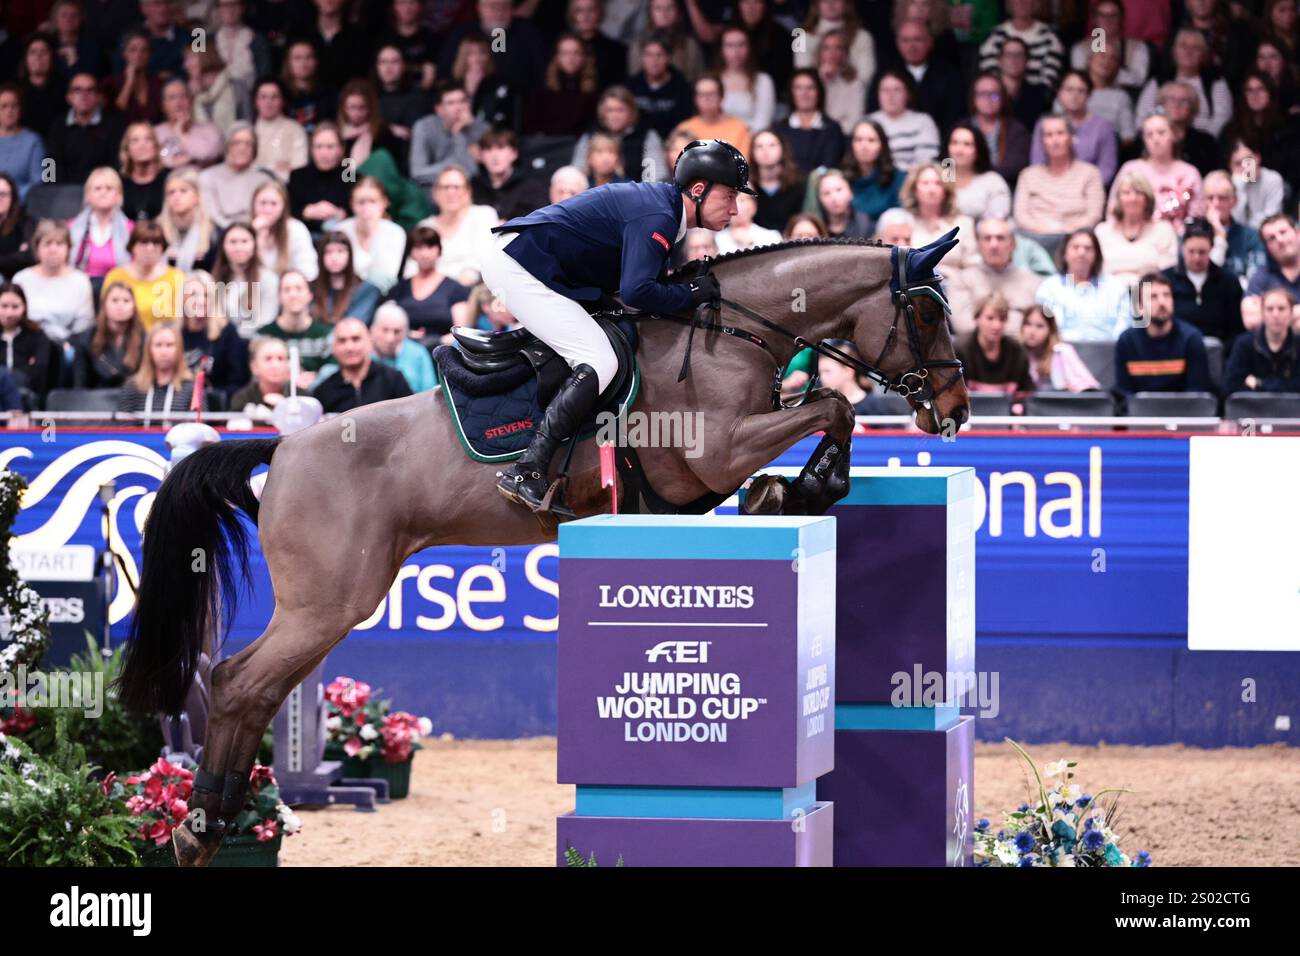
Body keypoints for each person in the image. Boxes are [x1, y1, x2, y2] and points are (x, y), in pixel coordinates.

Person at [481, 138, 744, 515]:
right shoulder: (659, 216)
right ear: (699, 190)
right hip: (519, 266)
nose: (735, 209)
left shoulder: (668, 212)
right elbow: (638, 292)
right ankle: (527, 469)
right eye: (730, 195)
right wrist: (690, 294)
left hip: (551, 268)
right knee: (601, 360)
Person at [1013, 115, 1106, 258]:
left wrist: (1065, 230)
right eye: (1049, 135)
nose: (1055, 140)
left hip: (1074, 241)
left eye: (1060, 133)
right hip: (1034, 240)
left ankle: (1071, 280)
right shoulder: (1028, 175)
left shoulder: (1090, 173)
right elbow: (1021, 216)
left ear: (1070, 137)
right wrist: (1044, 230)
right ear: (1042, 142)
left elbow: (1094, 215)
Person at [1115, 272, 1215, 395]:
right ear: (1139, 307)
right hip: (1140, 413)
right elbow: (1124, 395)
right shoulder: (1127, 342)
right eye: (1153, 297)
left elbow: (1197, 394)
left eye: (1167, 295)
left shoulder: (1190, 338)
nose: (1162, 302)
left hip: (1183, 412)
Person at [1108, 113, 1204, 233]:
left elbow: (1197, 217)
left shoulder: (1190, 173)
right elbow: (1113, 211)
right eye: (1149, 134)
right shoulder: (1130, 169)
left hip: (1178, 241)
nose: (1156, 139)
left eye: (1161, 132)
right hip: (1135, 239)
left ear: (1174, 135)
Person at [946, 217, 1042, 335]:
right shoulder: (961, 280)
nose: (994, 245)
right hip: (974, 350)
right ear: (978, 244)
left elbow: (1040, 327)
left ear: (1013, 244)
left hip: (1022, 350)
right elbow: (962, 325)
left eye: (1000, 238)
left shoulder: (1034, 282)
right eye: (987, 238)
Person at [1035, 228, 1133, 341]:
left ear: (1096, 255)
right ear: (1064, 253)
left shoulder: (1115, 287)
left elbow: (1124, 325)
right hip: (1062, 350)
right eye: (1075, 247)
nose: (1081, 253)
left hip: (1108, 351)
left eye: (1088, 248)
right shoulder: (1049, 287)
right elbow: (1047, 327)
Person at [1134, 28, 1232, 139]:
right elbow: (1142, 117)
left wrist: (1203, 140)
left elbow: (1222, 118)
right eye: (1183, 46)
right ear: (1174, 51)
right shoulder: (1158, 81)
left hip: (1203, 143)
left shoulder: (1215, 81)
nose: (1188, 52)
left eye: (1195, 48)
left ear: (1203, 54)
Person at [413, 166, 499, 287]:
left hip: (471, 289)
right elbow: (412, 269)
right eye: (445, 187)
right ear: (435, 193)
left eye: (457, 187)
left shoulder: (484, 215)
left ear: (468, 192)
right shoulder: (425, 226)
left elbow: (481, 262)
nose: (451, 192)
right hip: (427, 290)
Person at [1028, 71, 1118, 186]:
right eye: (1069, 89)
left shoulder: (1104, 127)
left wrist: (1083, 188)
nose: (1074, 95)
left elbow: (1107, 169)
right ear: (1059, 93)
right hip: (1049, 190)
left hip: (1088, 190)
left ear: (1089, 94)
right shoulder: (1044, 124)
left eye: (1081, 91)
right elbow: (1037, 163)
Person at [1163, 217, 1243, 345]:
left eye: (1202, 252)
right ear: (1182, 249)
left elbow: (1237, 329)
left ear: (1211, 249)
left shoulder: (1229, 281)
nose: (1196, 257)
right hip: (1175, 348)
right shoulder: (1165, 278)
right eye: (1191, 251)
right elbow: (1138, 293)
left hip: (1216, 349)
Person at [385, 225, 470, 346]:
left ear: (439, 250)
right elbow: (386, 325)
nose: (425, 254)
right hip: (404, 348)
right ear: (411, 252)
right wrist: (405, 334)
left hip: (443, 349)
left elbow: (462, 331)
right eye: (419, 248)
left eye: (430, 247)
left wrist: (436, 342)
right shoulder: (399, 289)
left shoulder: (455, 289)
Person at [13, 220, 94, 345]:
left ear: (68, 248)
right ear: (37, 247)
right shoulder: (21, 279)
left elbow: (84, 325)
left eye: (59, 244)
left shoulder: (80, 281)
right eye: (47, 244)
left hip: (67, 347)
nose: (53, 249)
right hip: (27, 346)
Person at [329, 300, 437, 393]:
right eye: (385, 330)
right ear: (372, 330)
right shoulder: (360, 352)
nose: (390, 338)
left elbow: (430, 392)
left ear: (405, 334)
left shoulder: (417, 353)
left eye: (397, 331)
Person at [312, 316, 413, 413]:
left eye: (356, 339)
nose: (349, 347)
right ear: (333, 348)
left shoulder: (393, 380)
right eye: (342, 341)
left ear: (370, 341)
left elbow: (412, 418)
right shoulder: (324, 391)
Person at [1095, 172, 1179, 285]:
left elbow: (1167, 270)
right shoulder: (1102, 231)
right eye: (1126, 193)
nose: (1133, 198)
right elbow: (1095, 269)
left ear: (1147, 198)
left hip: (1148, 292)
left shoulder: (1163, 230)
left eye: (1139, 193)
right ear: (1118, 199)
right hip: (1109, 293)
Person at [44, 71, 126, 185]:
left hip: (103, 190)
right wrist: (51, 189)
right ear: (69, 97)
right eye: (77, 90)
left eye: (90, 90)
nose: (84, 95)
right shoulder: (58, 126)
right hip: (64, 193)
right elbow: (49, 162)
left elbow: (118, 163)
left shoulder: (113, 125)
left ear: (98, 97)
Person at [102, 220, 184, 330]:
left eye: (156, 244)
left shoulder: (176, 278)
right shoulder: (115, 276)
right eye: (143, 243)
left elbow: (179, 321)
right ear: (132, 246)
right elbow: (105, 316)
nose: (150, 249)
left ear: (163, 248)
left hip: (162, 342)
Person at [257, 270, 332, 389]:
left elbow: (334, 370)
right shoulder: (264, 335)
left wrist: (317, 378)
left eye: (299, 288)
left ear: (310, 295)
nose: (293, 294)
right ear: (279, 297)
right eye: (287, 290)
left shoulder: (326, 334)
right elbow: (255, 372)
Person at [179, 270, 250, 398]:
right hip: (178, 403)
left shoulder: (227, 332)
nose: (200, 301)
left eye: (206, 295)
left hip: (214, 406)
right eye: (193, 295)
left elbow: (237, 382)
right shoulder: (174, 333)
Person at [116, 321, 201, 424]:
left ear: (179, 349)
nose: (163, 352)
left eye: (169, 345)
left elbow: (198, 429)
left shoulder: (192, 388)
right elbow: (123, 430)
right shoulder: (132, 387)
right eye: (158, 345)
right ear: (149, 350)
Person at [958, 71, 1031, 187]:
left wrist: (980, 179)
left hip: (1003, 188)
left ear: (1003, 99)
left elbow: (1015, 167)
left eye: (994, 95)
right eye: (982, 94)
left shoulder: (1016, 131)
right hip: (962, 188)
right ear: (973, 98)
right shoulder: (960, 127)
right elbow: (946, 160)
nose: (988, 99)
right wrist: (949, 185)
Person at [954, 292, 1036, 395]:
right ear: (977, 318)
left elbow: (1027, 394)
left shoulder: (1017, 352)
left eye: (1002, 319)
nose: (997, 325)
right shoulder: (960, 350)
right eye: (990, 318)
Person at [1223, 287, 1300, 393]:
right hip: (1251, 409)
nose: (1275, 315)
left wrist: (1259, 384)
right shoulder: (1244, 344)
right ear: (1262, 313)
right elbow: (1230, 388)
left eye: (1281, 309)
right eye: (1269, 309)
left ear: (1291, 312)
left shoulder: (1298, 345)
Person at [410, 81, 488, 186]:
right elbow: (417, 173)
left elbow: (472, 172)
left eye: (463, 101)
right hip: (432, 187)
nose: (459, 108)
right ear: (439, 109)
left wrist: (458, 133)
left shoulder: (482, 129)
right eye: (451, 103)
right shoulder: (424, 127)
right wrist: (454, 167)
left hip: (471, 189)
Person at [523, 32, 600, 137]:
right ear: (557, 58)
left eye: (576, 53)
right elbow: (531, 127)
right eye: (565, 53)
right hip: (549, 147)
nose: (571, 58)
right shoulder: (542, 93)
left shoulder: (594, 92)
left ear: (584, 57)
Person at [69, 280, 143, 389]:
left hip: (134, 400)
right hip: (97, 400)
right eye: (114, 300)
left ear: (134, 308)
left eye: (126, 301)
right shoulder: (86, 339)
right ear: (104, 306)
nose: (120, 306)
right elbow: (80, 385)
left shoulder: (145, 339)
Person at [68, 167, 134, 290]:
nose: (103, 193)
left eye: (109, 188)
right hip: (78, 289)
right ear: (87, 195)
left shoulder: (131, 229)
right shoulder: (71, 228)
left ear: (119, 195)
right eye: (97, 188)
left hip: (119, 291)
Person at [199, 123, 273, 229]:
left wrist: (250, 230)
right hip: (219, 232)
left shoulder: (265, 180)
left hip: (257, 230)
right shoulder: (207, 177)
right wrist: (235, 231)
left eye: (248, 144)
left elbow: (268, 214)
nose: (242, 148)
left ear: (254, 149)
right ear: (227, 147)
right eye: (236, 143)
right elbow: (212, 214)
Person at [978, 0, 1065, 89]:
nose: (1022, 2)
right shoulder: (994, 37)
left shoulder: (1050, 39)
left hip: (1037, 98)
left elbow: (1048, 82)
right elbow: (990, 79)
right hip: (999, 98)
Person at [213, 222, 279, 336]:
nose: (238, 247)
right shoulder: (215, 279)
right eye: (233, 242)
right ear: (223, 246)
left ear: (254, 245)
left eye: (244, 241)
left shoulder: (269, 280)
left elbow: (267, 322)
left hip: (257, 341)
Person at [1202, 170, 1267, 287]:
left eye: (1222, 198)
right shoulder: (1193, 235)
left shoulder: (1251, 235)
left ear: (1234, 201)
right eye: (1210, 198)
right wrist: (1220, 236)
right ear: (1203, 201)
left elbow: (1257, 280)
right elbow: (1203, 280)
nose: (1215, 203)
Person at [0, 281, 60, 406]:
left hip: (28, 398)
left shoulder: (37, 336)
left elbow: (39, 373)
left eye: (15, 307)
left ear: (24, 307)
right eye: (4, 306)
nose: (9, 313)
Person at [1069, 0, 1151, 91]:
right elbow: (1080, 79)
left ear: (1121, 18)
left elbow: (1138, 79)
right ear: (1094, 19)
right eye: (1102, 15)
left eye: (1113, 16)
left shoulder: (1138, 47)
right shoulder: (1080, 48)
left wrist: (1099, 74)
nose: (1107, 20)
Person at [868, 69, 941, 171]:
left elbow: (927, 161)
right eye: (885, 90)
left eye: (897, 90)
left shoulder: (923, 121)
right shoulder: (868, 123)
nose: (890, 95)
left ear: (908, 94)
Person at [288, 122, 353, 234]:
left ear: (341, 149)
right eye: (318, 147)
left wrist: (341, 214)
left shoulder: (349, 174)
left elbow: (356, 209)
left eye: (330, 146)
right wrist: (306, 212)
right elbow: (287, 211)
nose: (324, 153)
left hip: (341, 237)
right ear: (311, 149)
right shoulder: (298, 176)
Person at [627, 32, 693, 140]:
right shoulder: (631, 86)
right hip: (638, 144)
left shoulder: (682, 87)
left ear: (668, 58)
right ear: (642, 58)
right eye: (649, 55)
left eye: (659, 55)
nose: (654, 61)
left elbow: (684, 125)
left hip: (672, 144)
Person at [1019, 304, 1101, 392]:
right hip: (1028, 403)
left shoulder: (1062, 351)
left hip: (1060, 402)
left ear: (1051, 330)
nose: (1032, 331)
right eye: (1027, 324)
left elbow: (1089, 384)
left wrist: (1073, 388)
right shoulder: (1017, 353)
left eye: (1040, 326)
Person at [471, 130, 549, 222]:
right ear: (481, 156)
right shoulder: (473, 187)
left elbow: (538, 220)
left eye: (501, 148)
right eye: (488, 149)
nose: (495, 156)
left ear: (514, 154)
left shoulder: (531, 188)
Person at [779, 69, 846, 174]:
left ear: (819, 92)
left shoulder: (832, 129)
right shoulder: (779, 129)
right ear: (791, 93)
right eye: (798, 88)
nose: (804, 93)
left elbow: (830, 165)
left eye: (810, 88)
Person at [251, 179, 319, 282]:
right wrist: (254, 236)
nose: (268, 209)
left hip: (288, 290)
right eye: (263, 203)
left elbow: (309, 271)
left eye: (274, 204)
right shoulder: (246, 230)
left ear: (284, 206)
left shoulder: (296, 229)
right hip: (255, 290)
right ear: (253, 204)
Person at [313, 231, 383, 326]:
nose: (334, 257)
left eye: (340, 251)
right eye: (328, 252)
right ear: (321, 257)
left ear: (350, 255)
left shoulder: (367, 290)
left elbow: (356, 324)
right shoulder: (312, 288)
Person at [944, 123, 1011, 221]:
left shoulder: (992, 180)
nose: (959, 150)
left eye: (967, 144)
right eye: (954, 143)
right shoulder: (940, 177)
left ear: (978, 150)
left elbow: (998, 217)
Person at [1243, 214, 1300, 329]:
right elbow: (1250, 321)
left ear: (1298, 233)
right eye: (1271, 238)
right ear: (1267, 247)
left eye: (1283, 232)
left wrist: (1270, 312)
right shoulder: (1261, 276)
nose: (1279, 240)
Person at [158, 168, 219, 273]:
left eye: (183, 191)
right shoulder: (157, 231)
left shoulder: (213, 232)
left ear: (197, 196)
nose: (176, 197)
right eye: (171, 192)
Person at [154, 77, 223, 170]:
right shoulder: (156, 133)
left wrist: (180, 134)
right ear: (164, 105)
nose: (178, 103)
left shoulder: (209, 130)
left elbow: (205, 154)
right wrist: (189, 159)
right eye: (172, 98)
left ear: (191, 101)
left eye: (183, 96)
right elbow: (159, 157)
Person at [683, 74, 753, 159]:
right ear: (695, 99)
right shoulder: (684, 129)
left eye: (711, 93)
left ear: (721, 96)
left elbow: (743, 163)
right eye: (702, 94)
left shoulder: (740, 128)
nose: (707, 98)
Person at [845, 120, 904, 221]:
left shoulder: (898, 178)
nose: (864, 146)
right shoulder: (842, 179)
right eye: (858, 140)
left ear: (882, 145)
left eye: (871, 140)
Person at [253, 79, 309, 182]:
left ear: (282, 101)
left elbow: (299, 169)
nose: (268, 102)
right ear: (256, 101)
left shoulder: (295, 129)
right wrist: (275, 167)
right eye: (263, 97)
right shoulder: (248, 131)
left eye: (274, 97)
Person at [817, 342, 893, 414]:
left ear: (849, 371)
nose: (822, 378)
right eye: (820, 373)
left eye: (827, 371)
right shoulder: (822, 407)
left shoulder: (874, 406)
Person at [0, 84, 43, 203]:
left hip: (21, 206)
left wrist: (10, 197)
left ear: (20, 110)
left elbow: (38, 180)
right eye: (4, 106)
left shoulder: (33, 141)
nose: (9, 110)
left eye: (14, 106)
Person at [229, 334, 290, 416]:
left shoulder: (301, 397)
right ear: (254, 366)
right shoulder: (242, 398)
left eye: (280, 358)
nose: (275, 365)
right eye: (268, 359)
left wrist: (285, 407)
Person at [119, 122, 166, 221]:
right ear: (127, 150)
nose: (142, 145)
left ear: (156, 147)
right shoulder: (118, 182)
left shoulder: (169, 180)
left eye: (148, 139)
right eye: (135, 141)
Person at [716, 191, 782, 252]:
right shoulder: (716, 239)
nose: (737, 206)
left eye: (742, 201)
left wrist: (750, 244)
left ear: (753, 206)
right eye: (730, 201)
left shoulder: (772, 237)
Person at [0, 173, 34, 280]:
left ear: (12, 197)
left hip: (16, 283)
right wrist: (15, 256)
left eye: (3, 194)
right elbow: (19, 258)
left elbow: (28, 257)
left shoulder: (26, 223)